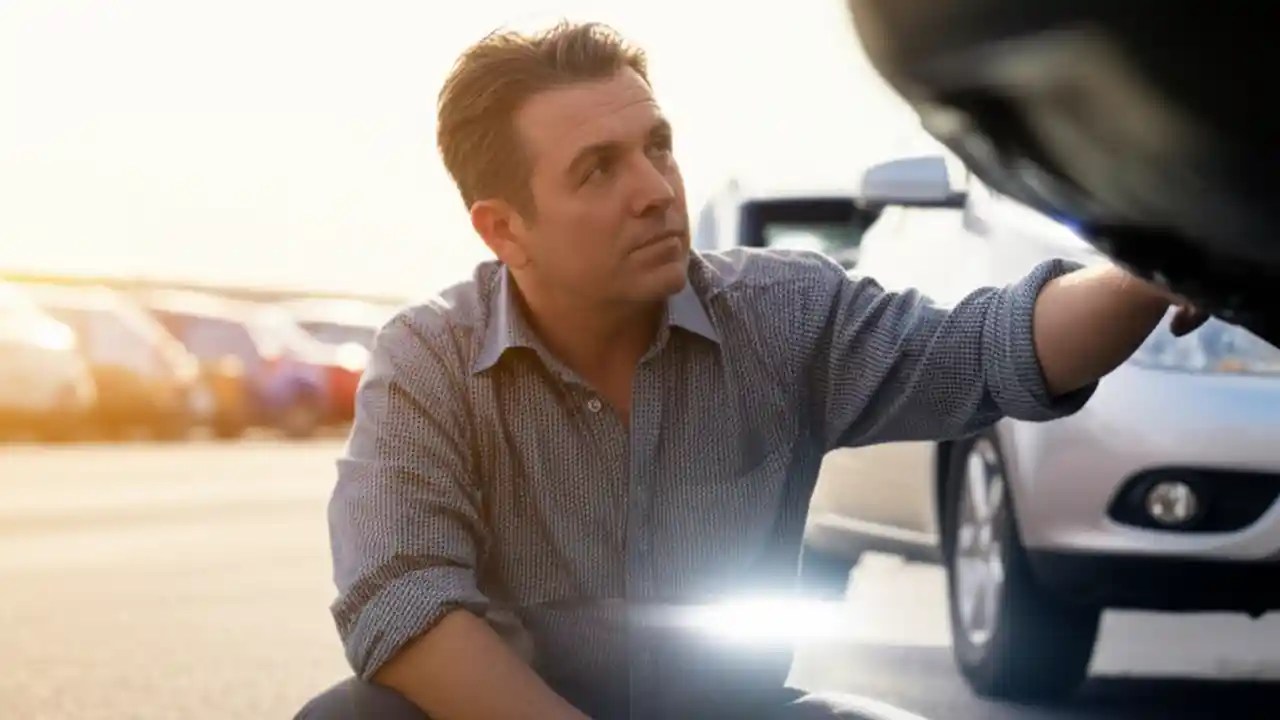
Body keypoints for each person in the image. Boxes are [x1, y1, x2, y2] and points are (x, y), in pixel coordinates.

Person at [296, 21, 1203, 720]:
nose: (654, 188)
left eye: (657, 144)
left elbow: (993, 346)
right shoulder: (429, 360)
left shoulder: (783, 315)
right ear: (504, 230)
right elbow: (401, 599)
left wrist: (1154, 271)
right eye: (597, 170)